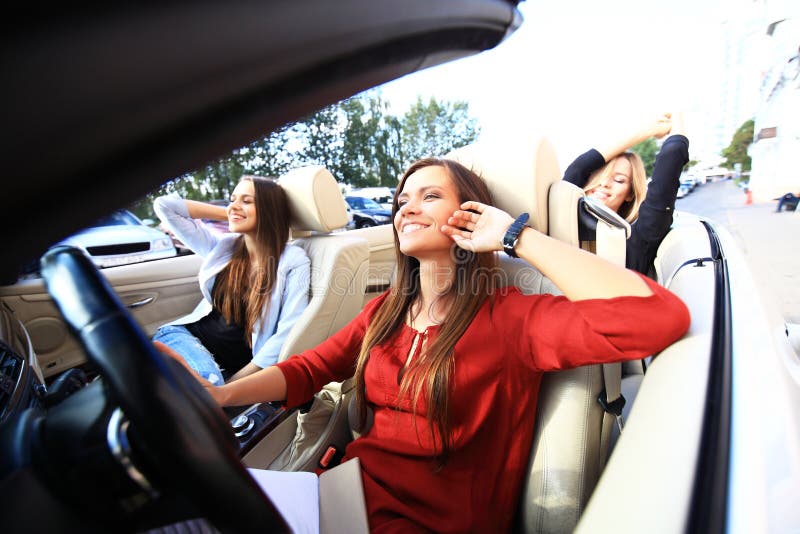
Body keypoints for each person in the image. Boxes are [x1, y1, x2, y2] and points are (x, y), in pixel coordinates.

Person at [157, 158, 690, 532]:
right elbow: (308, 369)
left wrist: (515, 237)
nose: (406, 209)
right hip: (338, 495)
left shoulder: (511, 318)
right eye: (401, 200)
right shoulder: (386, 309)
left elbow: (657, 317)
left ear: (471, 215)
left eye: (430, 196)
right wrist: (221, 396)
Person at [152, 176, 310, 384]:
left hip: (226, 369)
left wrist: (230, 387)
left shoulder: (293, 261)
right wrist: (235, 212)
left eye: (247, 201)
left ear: (268, 209)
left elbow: (288, 333)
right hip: (184, 340)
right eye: (232, 199)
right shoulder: (224, 247)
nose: (234, 206)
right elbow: (165, 206)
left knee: (203, 392)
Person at [563, 112, 690, 276]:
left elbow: (668, 170)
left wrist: (677, 117)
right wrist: (647, 130)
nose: (604, 184)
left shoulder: (637, 239)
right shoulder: (562, 222)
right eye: (600, 176)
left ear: (630, 194)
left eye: (618, 180)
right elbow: (578, 168)